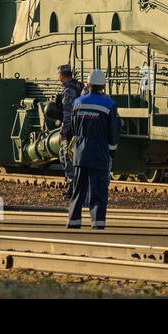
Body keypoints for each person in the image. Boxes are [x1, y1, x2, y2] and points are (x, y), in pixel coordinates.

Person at [65, 67, 120, 230]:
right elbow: (113, 132)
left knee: (78, 188)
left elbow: (73, 129)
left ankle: (73, 221)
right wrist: (112, 152)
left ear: (88, 85)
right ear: (103, 86)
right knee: (98, 189)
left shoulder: (77, 103)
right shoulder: (109, 104)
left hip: (80, 152)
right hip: (99, 152)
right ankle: (97, 223)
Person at [55, 65, 82, 195]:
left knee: (66, 157)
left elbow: (67, 114)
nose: (58, 78)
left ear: (62, 75)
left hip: (71, 131)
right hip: (80, 129)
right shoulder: (79, 86)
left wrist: (63, 132)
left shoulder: (68, 91)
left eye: (59, 75)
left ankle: (72, 188)